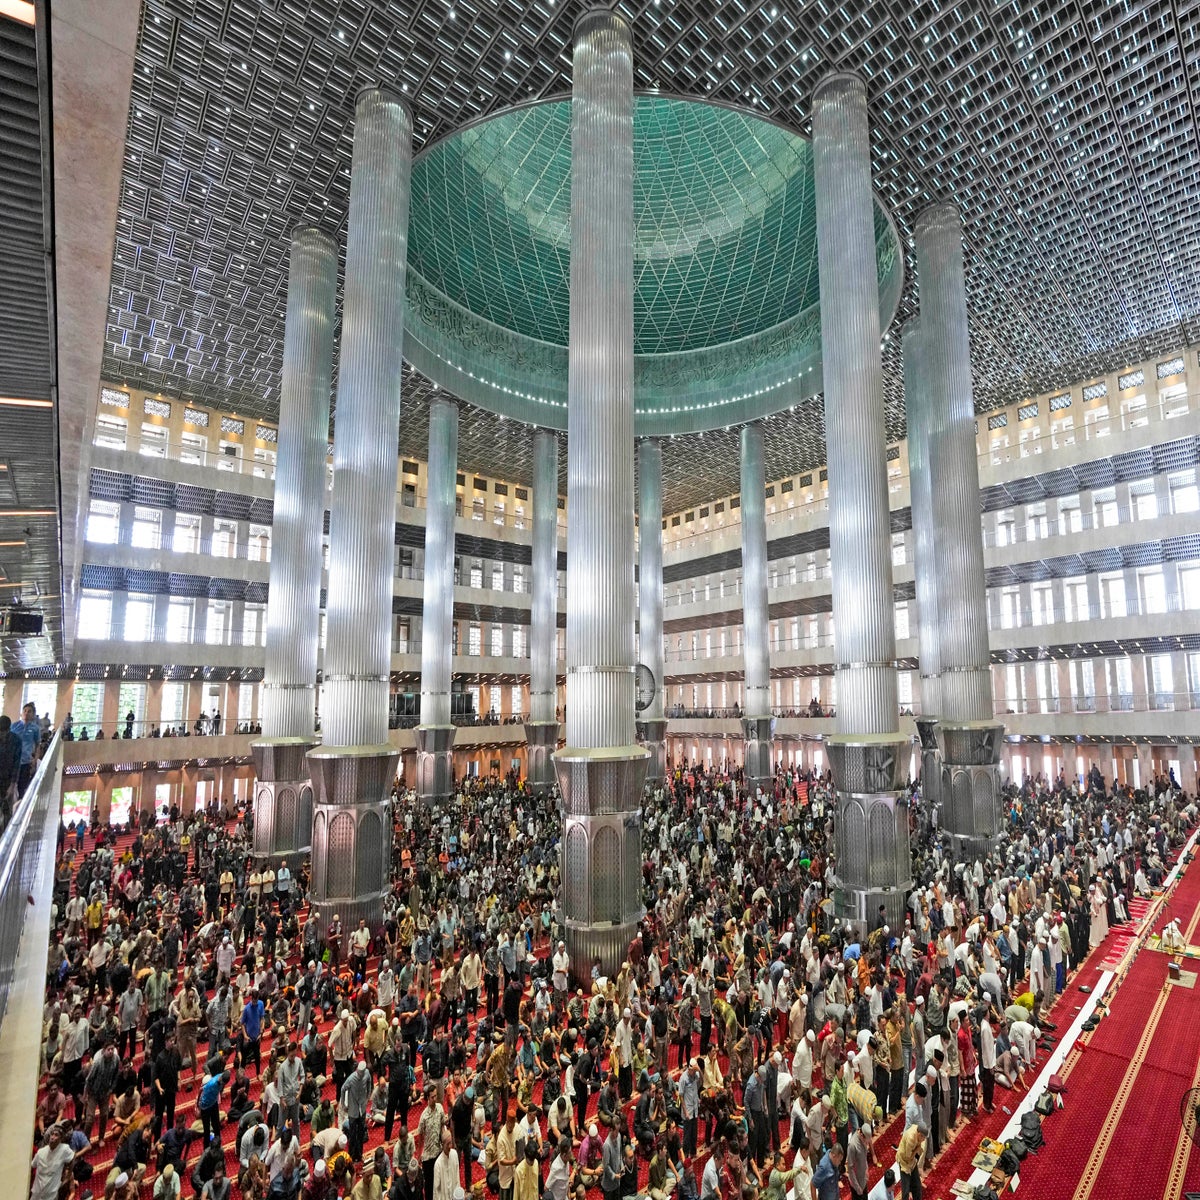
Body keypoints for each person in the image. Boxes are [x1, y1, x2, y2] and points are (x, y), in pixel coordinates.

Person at [30, 1124, 74, 1200]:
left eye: (56, 1135)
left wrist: (68, 1175)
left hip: (51, 1195)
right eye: (52, 1134)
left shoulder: (64, 1150)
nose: (52, 1137)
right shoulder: (41, 1152)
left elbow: (73, 1157)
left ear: (61, 1139)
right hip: (37, 1193)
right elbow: (33, 1165)